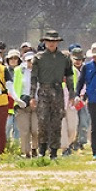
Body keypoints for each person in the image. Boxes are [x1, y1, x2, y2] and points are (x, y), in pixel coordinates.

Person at [32, 29, 75, 160]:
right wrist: (31, 95)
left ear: (58, 42)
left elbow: (69, 76)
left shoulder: (64, 58)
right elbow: (33, 78)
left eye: (54, 41)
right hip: (44, 91)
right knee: (42, 121)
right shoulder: (38, 58)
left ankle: (54, 151)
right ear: (44, 42)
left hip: (58, 91)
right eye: (49, 41)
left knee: (57, 122)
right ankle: (42, 149)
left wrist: (72, 94)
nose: (51, 44)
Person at [10, 50, 39, 157]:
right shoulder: (18, 71)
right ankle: (26, 152)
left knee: (36, 129)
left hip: (37, 103)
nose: (31, 63)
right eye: (28, 60)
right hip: (22, 104)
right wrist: (17, 100)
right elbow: (12, 87)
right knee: (24, 130)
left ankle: (35, 147)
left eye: (32, 60)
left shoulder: (40, 71)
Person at [69, 45, 89, 152]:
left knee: (83, 121)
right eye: (75, 59)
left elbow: (87, 83)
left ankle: (80, 142)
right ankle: (72, 141)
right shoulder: (68, 69)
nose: (77, 61)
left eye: (80, 59)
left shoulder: (86, 68)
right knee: (73, 122)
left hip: (82, 99)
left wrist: (83, 96)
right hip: (71, 100)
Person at [3, 49, 22, 145]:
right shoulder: (4, 71)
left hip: (19, 103)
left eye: (15, 58)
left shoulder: (23, 71)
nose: (13, 60)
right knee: (7, 126)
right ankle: (5, 147)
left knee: (18, 128)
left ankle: (16, 147)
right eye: (11, 58)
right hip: (7, 102)